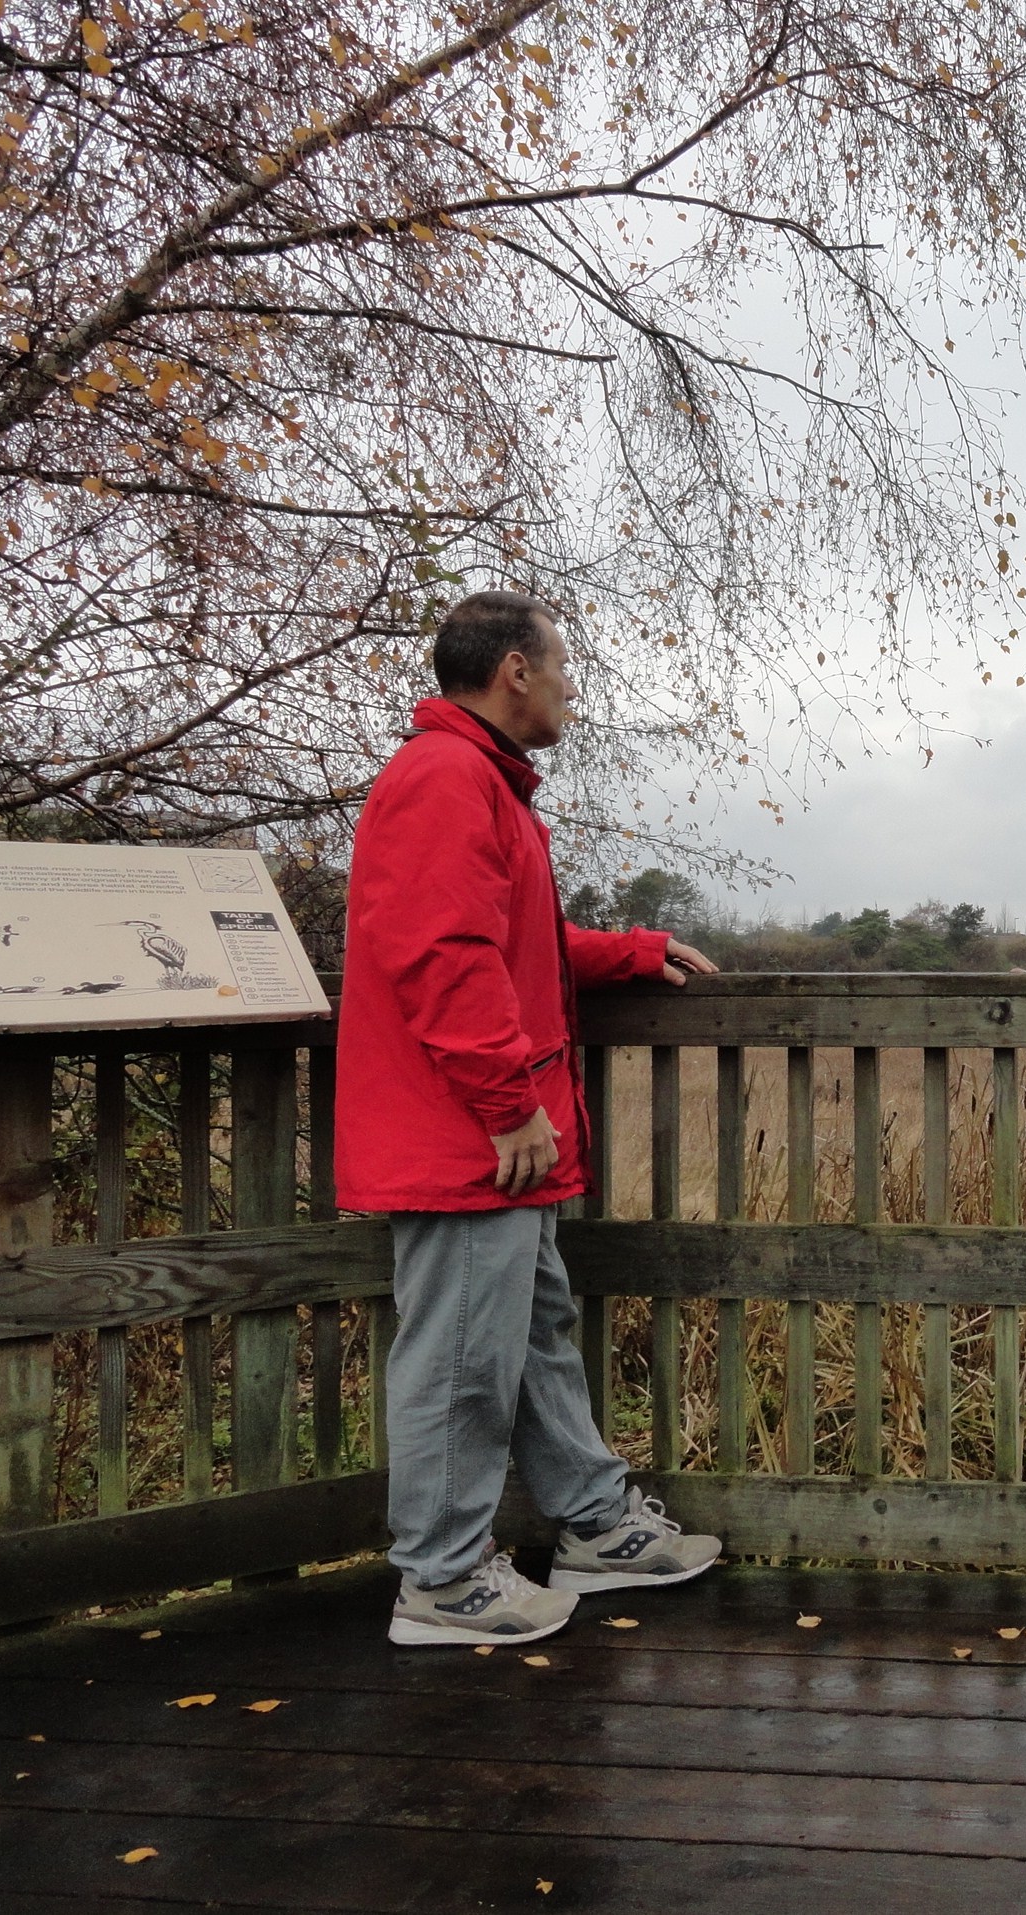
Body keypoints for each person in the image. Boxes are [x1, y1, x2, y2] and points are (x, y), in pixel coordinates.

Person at [337, 589, 723, 1646]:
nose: (568, 688)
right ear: (514, 668)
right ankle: (444, 1580)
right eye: (560, 666)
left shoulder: (479, 784)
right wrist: (508, 1108)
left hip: (489, 1141)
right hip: (467, 1139)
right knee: (461, 1359)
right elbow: (440, 956)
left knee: (532, 1337)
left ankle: (594, 1525)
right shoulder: (445, 779)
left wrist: (634, 951)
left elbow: (518, 944)